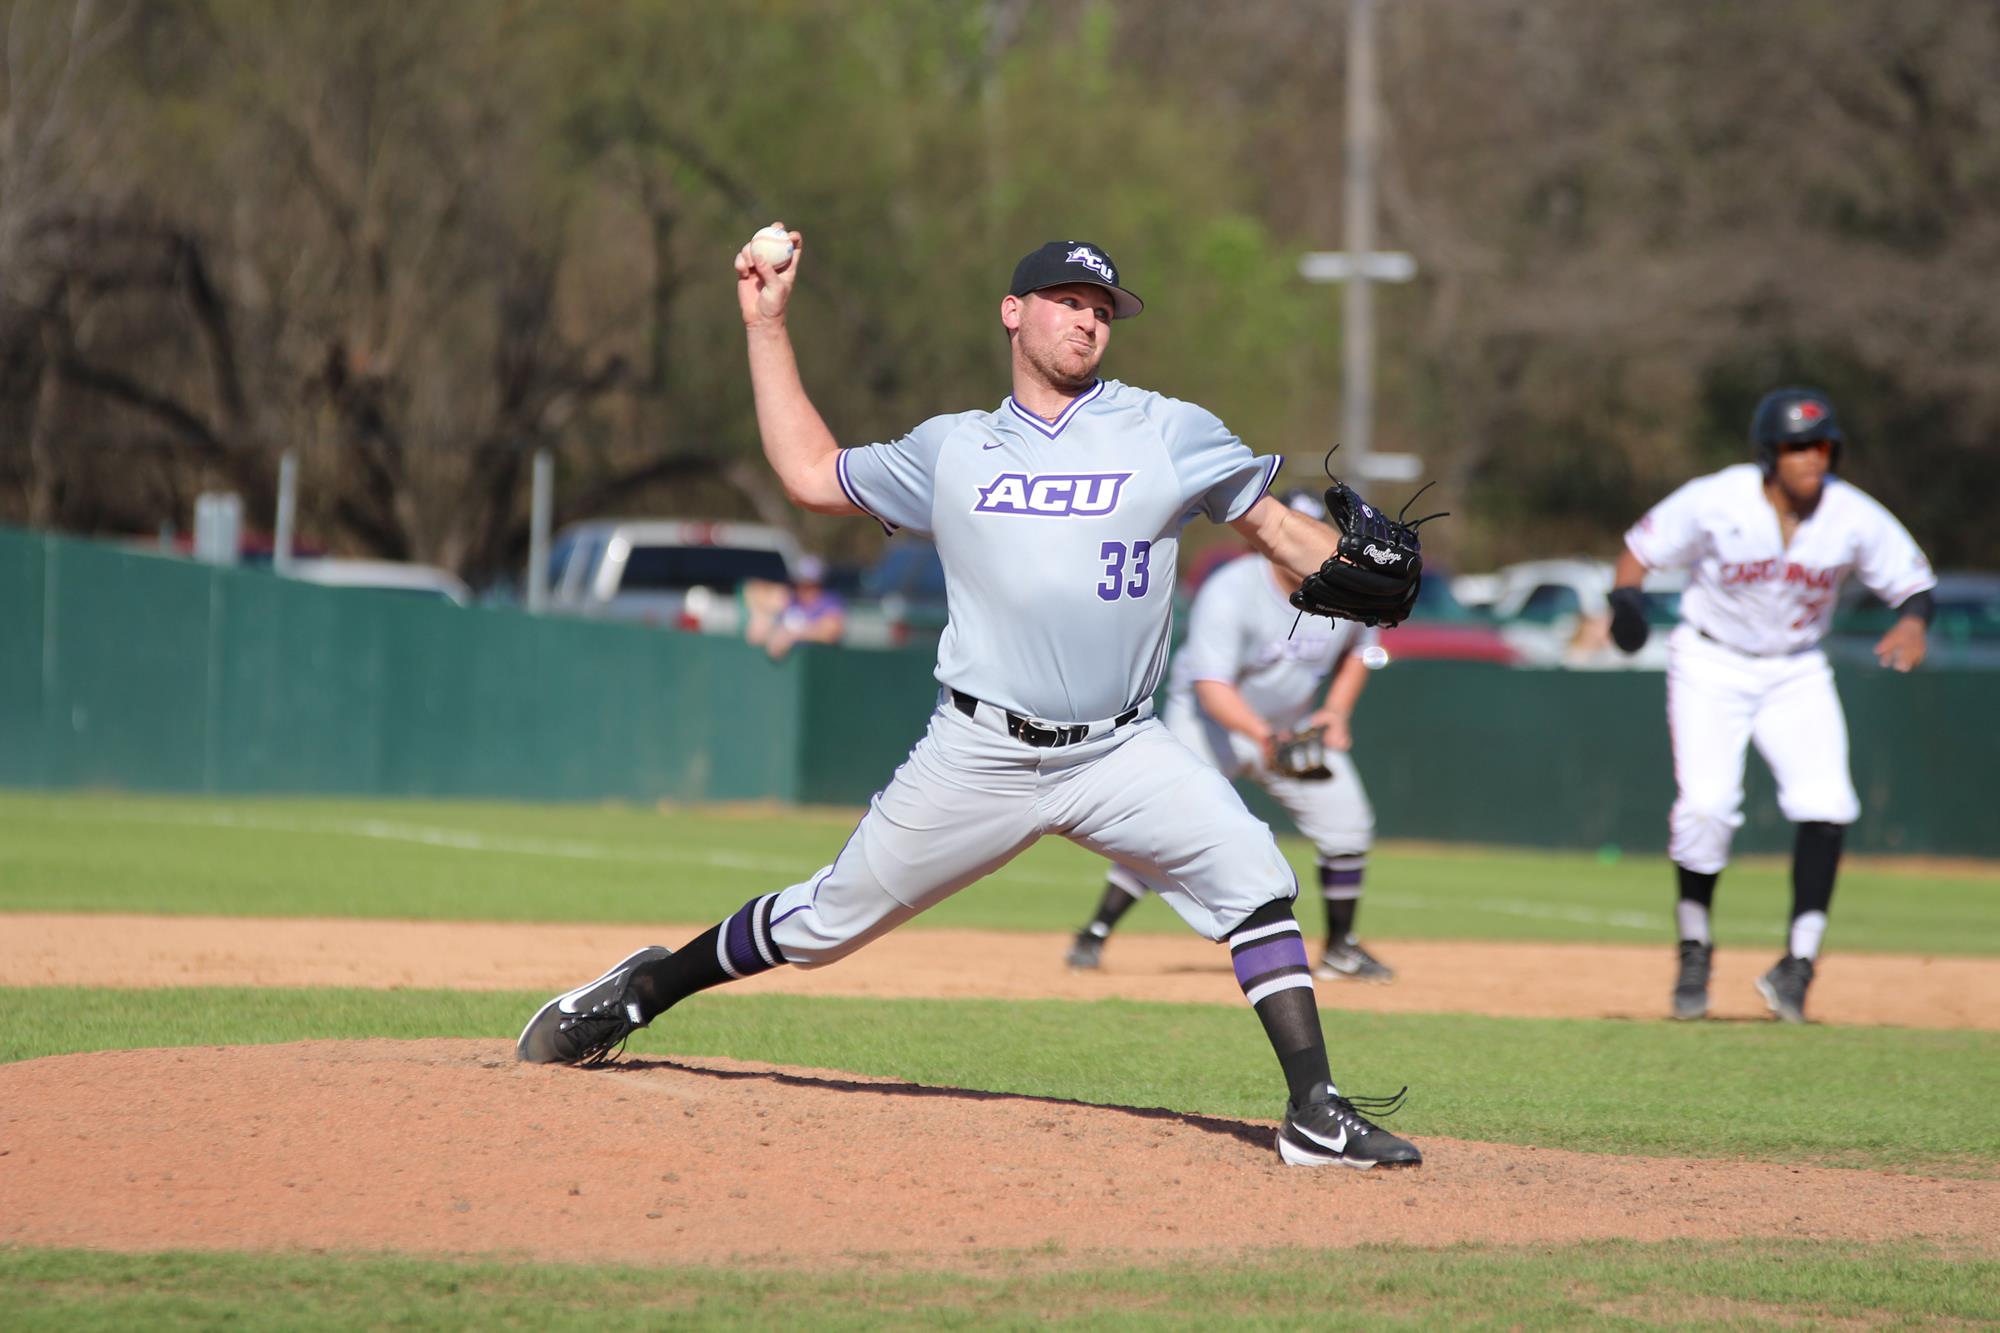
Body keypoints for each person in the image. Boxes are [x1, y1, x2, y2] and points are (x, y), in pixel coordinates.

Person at [516, 230, 1423, 1169]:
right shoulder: (951, 450)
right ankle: (643, 990)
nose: (1088, 319)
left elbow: (1275, 527)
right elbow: (810, 475)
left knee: (1253, 872)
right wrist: (768, 325)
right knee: (825, 924)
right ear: (1014, 312)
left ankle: (1314, 1108)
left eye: (1103, 309)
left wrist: (1364, 573)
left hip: (1119, 751)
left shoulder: (1168, 429)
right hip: (979, 752)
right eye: (1069, 300)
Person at [1608, 386, 1935, 1023]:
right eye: (1796, 446)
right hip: (1711, 660)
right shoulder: (1717, 497)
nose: (1812, 456)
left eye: (1821, 445)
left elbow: (1913, 581)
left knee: (1829, 803)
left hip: (1796, 670)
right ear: (1769, 453)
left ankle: (1798, 965)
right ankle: (1695, 947)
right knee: (1706, 808)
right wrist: (1626, 600)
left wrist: (1915, 621)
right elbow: (1639, 550)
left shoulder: (1852, 514)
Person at [1066, 489, 1393, 983]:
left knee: (1346, 823)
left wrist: (1337, 711)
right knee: (1170, 826)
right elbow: (1211, 686)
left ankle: (1341, 949)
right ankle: (1095, 931)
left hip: (1291, 725)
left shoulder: (1347, 589)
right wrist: (1262, 736)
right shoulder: (1233, 590)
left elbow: (1364, 651)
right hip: (1209, 725)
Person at [744, 554, 846, 660]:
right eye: (800, 582)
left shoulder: (829, 601)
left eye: (810, 584)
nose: (803, 588)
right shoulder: (791, 598)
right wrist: (760, 619)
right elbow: (753, 588)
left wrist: (792, 636)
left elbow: (831, 631)